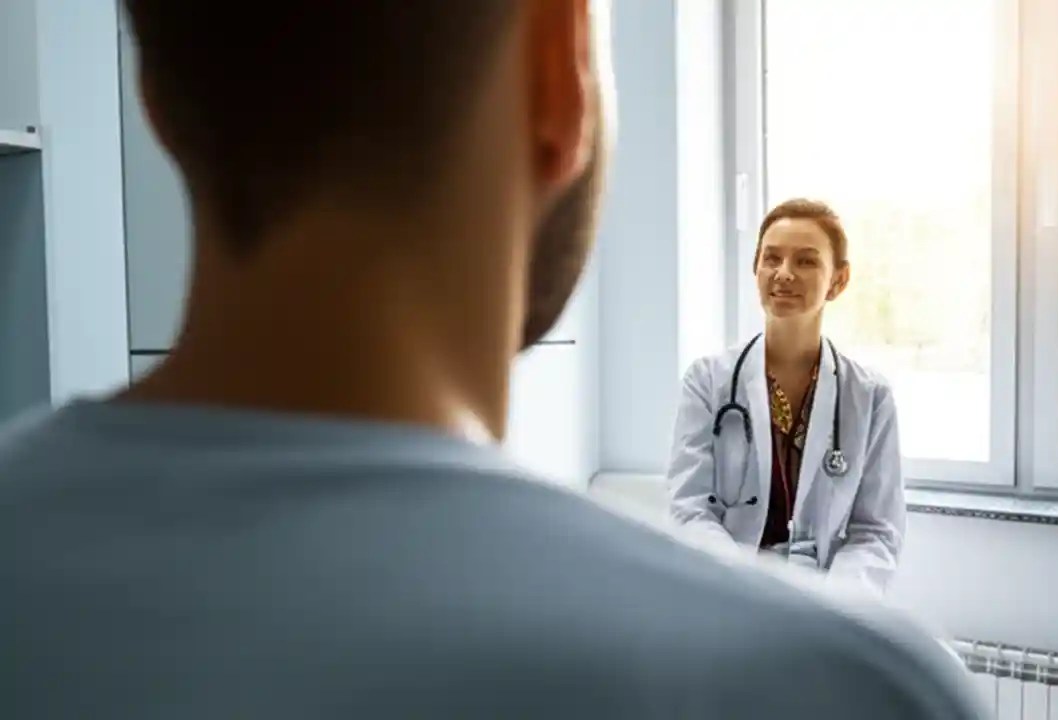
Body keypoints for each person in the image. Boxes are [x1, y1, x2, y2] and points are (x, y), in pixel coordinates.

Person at [0, 2, 983, 718]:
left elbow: (870, 535)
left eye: (799, 262)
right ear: (559, 78)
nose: (778, 274)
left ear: (156, 99)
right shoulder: (844, 692)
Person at [668, 198, 906, 598]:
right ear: (755, 268)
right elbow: (690, 509)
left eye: (806, 261)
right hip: (730, 593)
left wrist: (837, 602)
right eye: (771, 258)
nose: (783, 273)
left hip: (828, 604)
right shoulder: (708, 381)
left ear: (839, 280)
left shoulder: (870, 396)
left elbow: (877, 530)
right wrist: (745, 587)